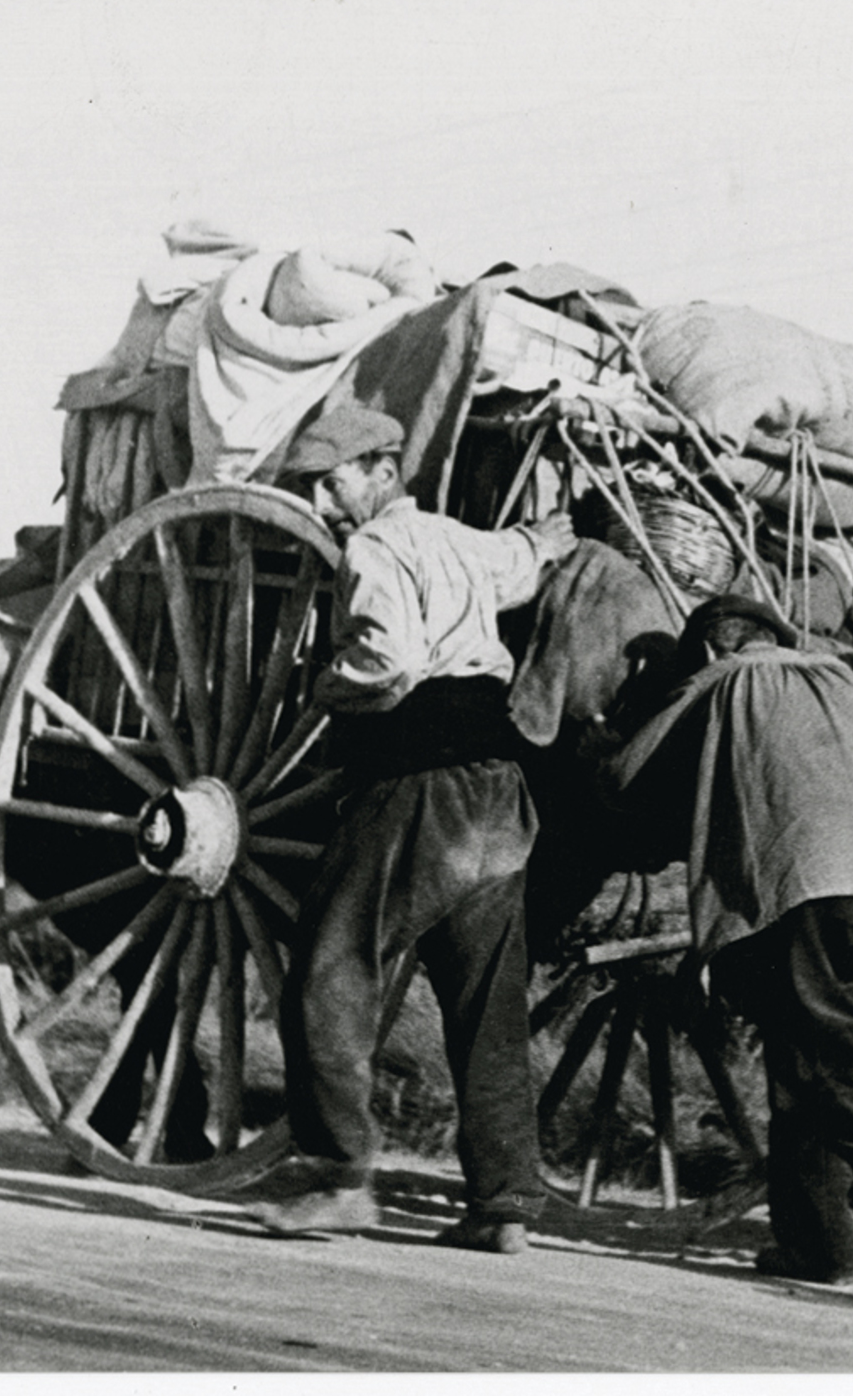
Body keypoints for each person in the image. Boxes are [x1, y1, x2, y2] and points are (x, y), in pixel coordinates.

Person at [250, 404, 575, 1254]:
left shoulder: (374, 546)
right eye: (313, 486)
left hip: (420, 787)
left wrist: (325, 687)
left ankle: (339, 1175)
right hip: (502, 789)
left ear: (385, 470)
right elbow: (529, 562)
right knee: (487, 1001)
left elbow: (386, 661)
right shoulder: (463, 539)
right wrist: (549, 535)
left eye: (335, 479)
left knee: (328, 967)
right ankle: (504, 1204)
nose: (323, 501)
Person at [610, 593, 853, 1295]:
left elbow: (626, 774)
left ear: (713, 649)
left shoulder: (721, 679)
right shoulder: (845, 678)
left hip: (812, 888)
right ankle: (819, 1246)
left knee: (816, 1078)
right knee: (819, 1069)